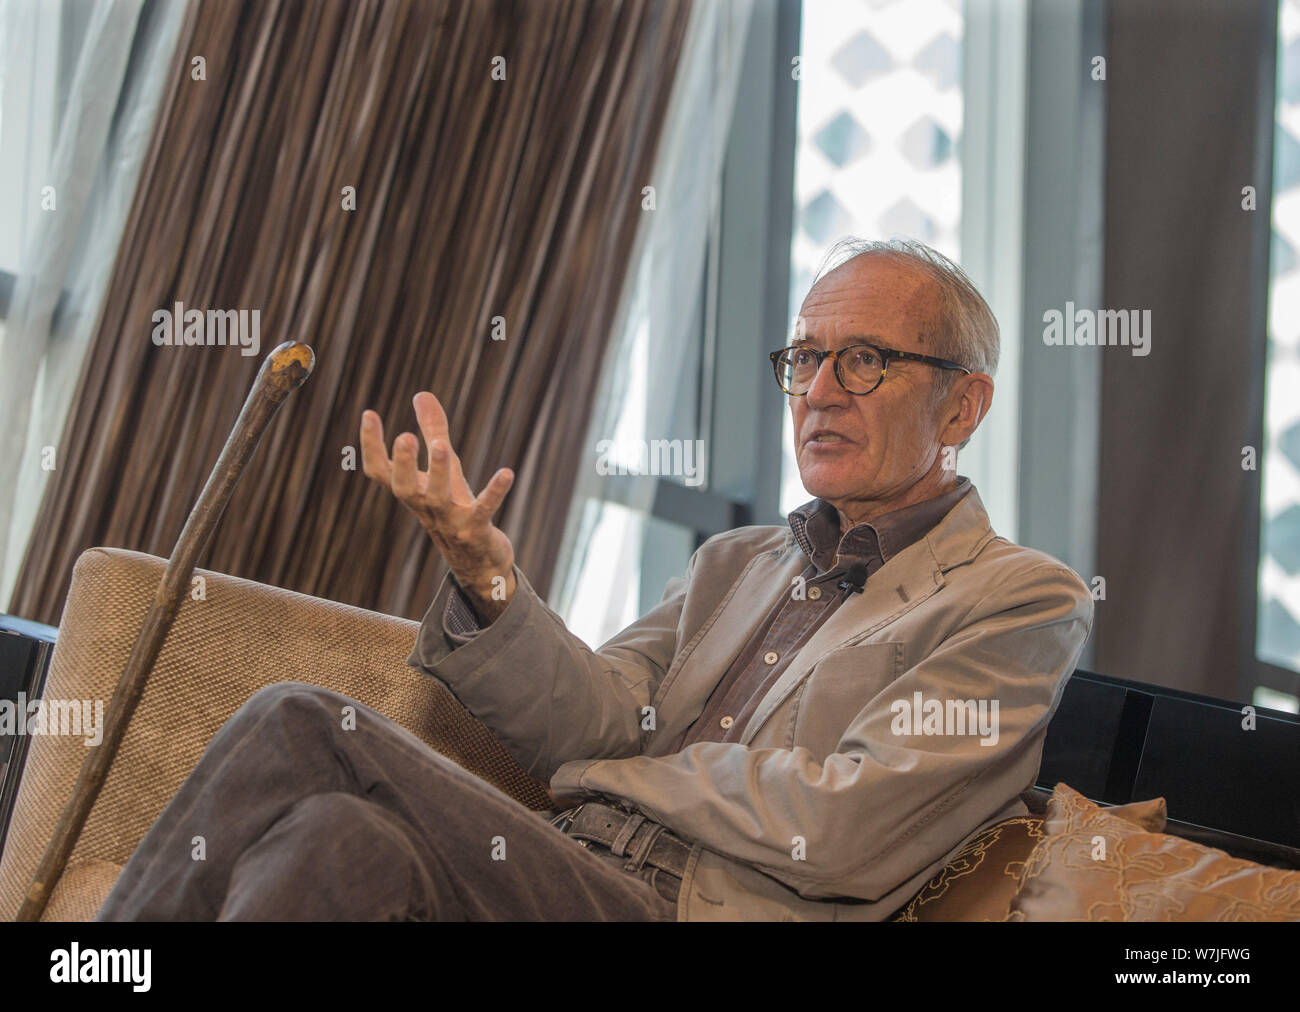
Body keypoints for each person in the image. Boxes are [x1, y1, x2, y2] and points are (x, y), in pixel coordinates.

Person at [96, 238, 1092, 921]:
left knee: (304, 724)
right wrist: (488, 579)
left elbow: (841, 826)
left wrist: (622, 777)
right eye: (805, 358)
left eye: (864, 360)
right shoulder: (735, 562)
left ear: (962, 407)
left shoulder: (1018, 599)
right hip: (572, 873)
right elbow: (596, 726)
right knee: (335, 836)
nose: (819, 392)